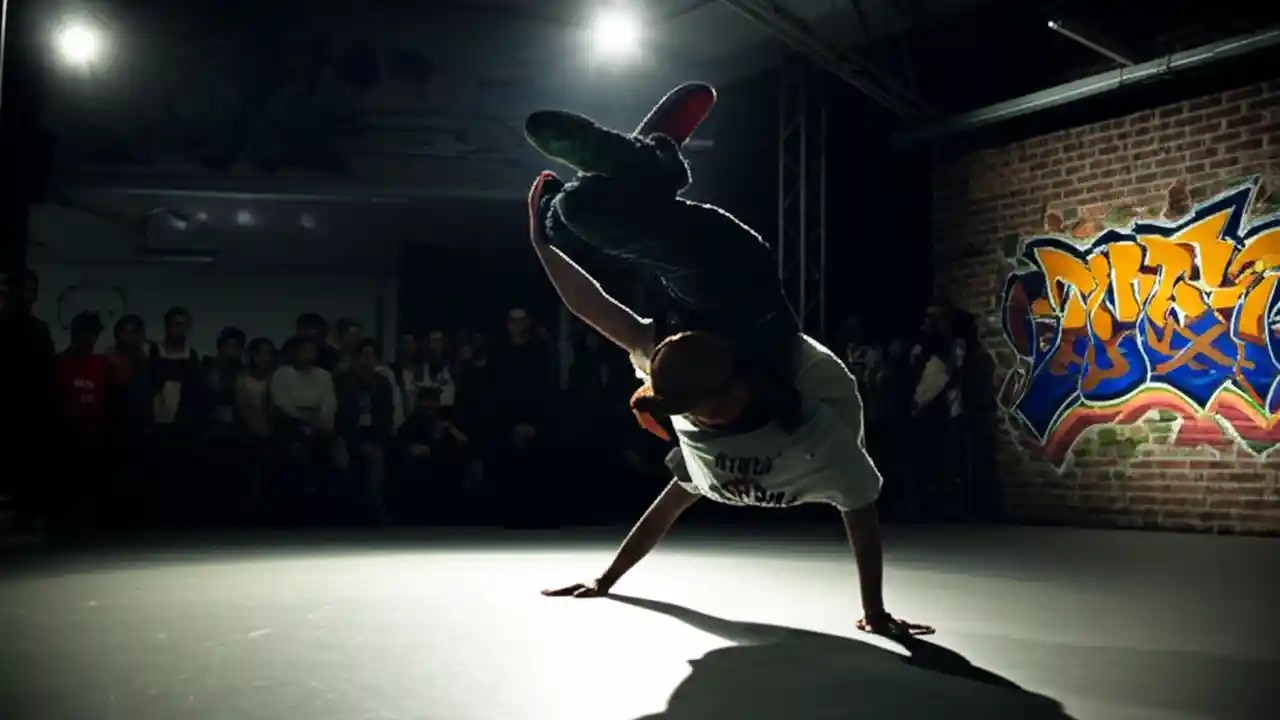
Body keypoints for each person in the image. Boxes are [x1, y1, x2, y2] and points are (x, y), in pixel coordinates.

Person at [526, 83, 932, 636]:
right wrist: (876, 612)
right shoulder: (817, 435)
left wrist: (541, 246)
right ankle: (656, 161)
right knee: (585, 213)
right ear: (738, 386)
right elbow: (860, 517)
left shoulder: (683, 407)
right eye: (704, 410)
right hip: (742, 273)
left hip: (694, 280)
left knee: (579, 210)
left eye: (697, 411)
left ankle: (645, 159)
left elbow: (595, 309)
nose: (701, 418)